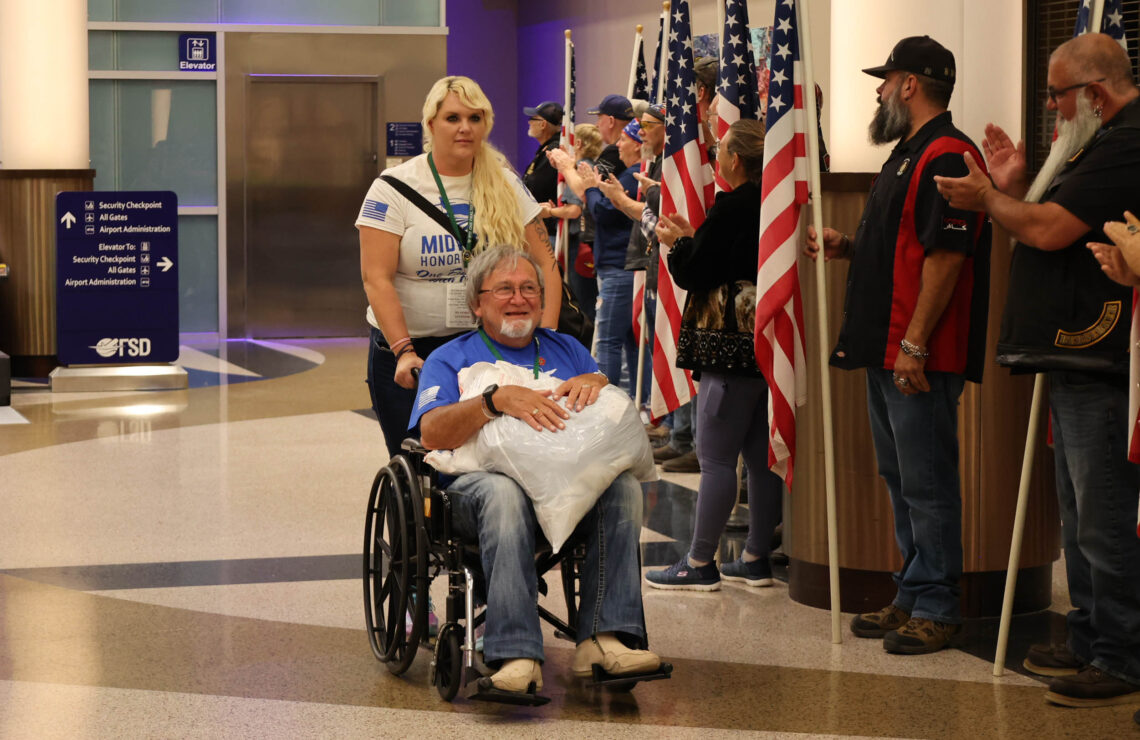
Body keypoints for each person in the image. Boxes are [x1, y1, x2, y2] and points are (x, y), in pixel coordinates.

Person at [936, 33, 1140, 706]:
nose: (1050, 106)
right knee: (1079, 513)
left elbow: (1052, 230)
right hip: (1073, 352)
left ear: (1094, 93)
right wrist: (1014, 188)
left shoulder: (1126, 143)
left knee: (1103, 515)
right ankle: (1089, 636)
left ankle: (1121, 654)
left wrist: (988, 199)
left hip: (1101, 358)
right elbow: (1045, 220)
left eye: (1056, 95)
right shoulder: (1093, 143)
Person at [805, 36, 991, 654]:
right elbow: (904, 244)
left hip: (916, 353)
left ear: (910, 84)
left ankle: (938, 605)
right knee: (901, 477)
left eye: (886, 80)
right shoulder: (909, 152)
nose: (880, 90)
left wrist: (915, 345)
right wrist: (849, 246)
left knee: (927, 482)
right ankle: (912, 592)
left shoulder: (948, 153)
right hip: (887, 348)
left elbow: (948, 256)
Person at [409, 245, 662, 696]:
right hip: (474, 494)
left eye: (529, 288)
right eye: (504, 289)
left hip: (567, 488)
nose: (519, 298)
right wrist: (492, 402)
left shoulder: (569, 349)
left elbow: (602, 425)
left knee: (623, 486)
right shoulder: (450, 357)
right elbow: (430, 433)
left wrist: (598, 382)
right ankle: (515, 653)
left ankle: (604, 639)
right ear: (477, 303)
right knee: (504, 493)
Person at [356, 75, 561, 459]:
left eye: (475, 118)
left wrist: (547, 338)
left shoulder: (506, 183)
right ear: (431, 124)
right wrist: (403, 351)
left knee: (486, 462)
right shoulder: (392, 187)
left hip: (485, 347)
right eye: (452, 118)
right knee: (418, 460)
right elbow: (376, 279)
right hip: (412, 353)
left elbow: (547, 265)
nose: (465, 127)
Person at [644, 119, 783, 590]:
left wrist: (677, 244)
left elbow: (695, 271)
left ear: (736, 160)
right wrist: (694, 236)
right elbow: (720, 254)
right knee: (760, 458)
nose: (715, 154)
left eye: (720, 148)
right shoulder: (772, 201)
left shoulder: (734, 204)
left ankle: (700, 561)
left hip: (726, 347)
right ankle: (757, 556)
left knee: (717, 458)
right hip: (762, 345)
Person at [550, 119, 643, 399]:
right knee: (628, 340)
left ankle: (606, 401)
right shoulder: (628, 170)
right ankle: (634, 399)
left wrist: (589, 187)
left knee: (608, 340)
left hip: (618, 265)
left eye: (625, 140)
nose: (617, 145)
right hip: (616, 263)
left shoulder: (631, 174)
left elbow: (599, 210)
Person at [522, 100, 563, 236]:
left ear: (543, 124)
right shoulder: (546, 149)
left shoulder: (554, 151)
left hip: (547, 229)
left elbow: (536, 188)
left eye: (532, 119)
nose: (529, 122)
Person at [587, 94, 635, 175]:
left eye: (599, 118)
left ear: (611, 121)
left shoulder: (614, 152)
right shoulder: (634, 147)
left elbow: (591, 182)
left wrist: (567, 167)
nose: (596, 125)